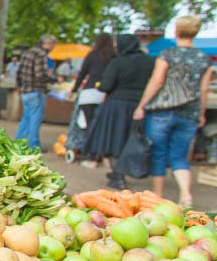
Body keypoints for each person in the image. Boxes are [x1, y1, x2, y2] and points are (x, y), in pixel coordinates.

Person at [133, 16, 213, 207]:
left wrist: (141, 105)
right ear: (195, 33)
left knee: (158, 153)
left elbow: (157, 81)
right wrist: (201, 113)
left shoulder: (167, 54)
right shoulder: (204, 59)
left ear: (176, 32)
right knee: (179, 155)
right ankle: (185, 195)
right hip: (190, 114)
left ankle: (158, 198)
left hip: (163, 111)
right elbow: (203, 90)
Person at [84, 35, 155, 190]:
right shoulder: (150, 62)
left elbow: (106, 86)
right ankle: (122, 172)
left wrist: (99, 85)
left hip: (116, 106)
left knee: (112, 140)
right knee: (130, 140)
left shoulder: (117, 63)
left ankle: (118, 176)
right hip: (139, 106)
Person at [70, 34, 117, 167]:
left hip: (89, 93)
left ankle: (91, 156)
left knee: (89, 125)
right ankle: (103, 155)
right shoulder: (113, 56)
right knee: (103, 126)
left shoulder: (92, 55)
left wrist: (74, 90)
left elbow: (82, 74)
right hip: (106, 94)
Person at [15, 35, 57, 150]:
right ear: (48, 44)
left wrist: (19, 86)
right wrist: (53, 79)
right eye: (53, 45)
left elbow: (18, 72)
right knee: (35, 119)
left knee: (26, 118)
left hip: (25, 91)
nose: (53, 48)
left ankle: (18, 143)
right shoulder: (41, 54)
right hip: (36, 90)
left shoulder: (27, 53)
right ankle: (33, 145)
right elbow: (40, 75)